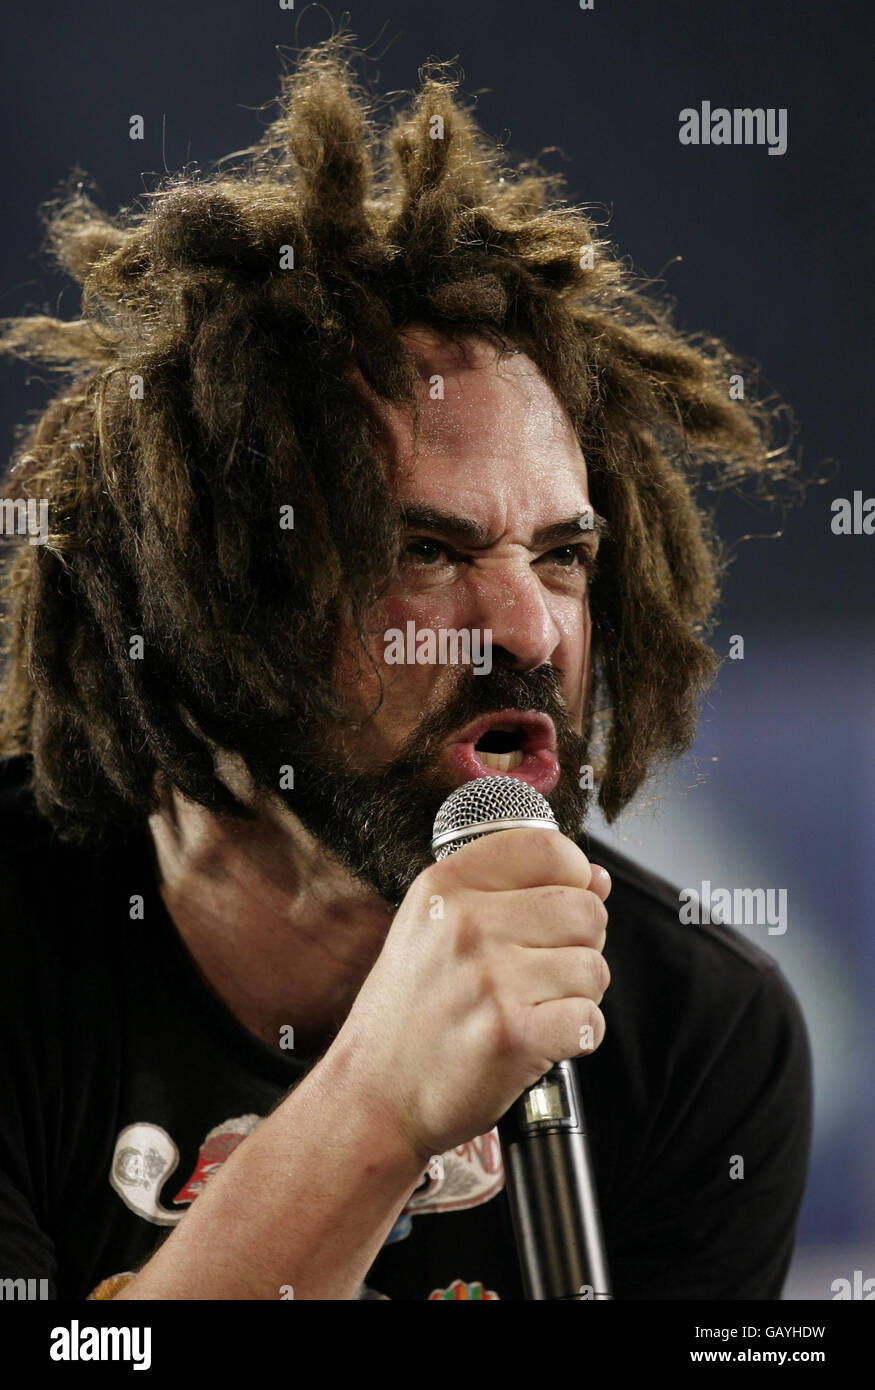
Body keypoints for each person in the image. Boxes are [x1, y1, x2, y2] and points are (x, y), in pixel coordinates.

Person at [0, 33, 810, 1301]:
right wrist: (374, 1108)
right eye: (424, 550)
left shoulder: (691, 1028)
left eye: (559, 555)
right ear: (211, 591)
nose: (527, 633)